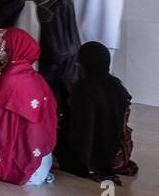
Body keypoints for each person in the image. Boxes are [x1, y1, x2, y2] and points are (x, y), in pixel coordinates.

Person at [0, 28, 57, 185]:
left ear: (15, 49)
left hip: (21, 169)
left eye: (2, 47)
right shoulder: (34, 77)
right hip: (40, 163)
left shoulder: (9, 82)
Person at [58, 41, 138, 182]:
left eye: (80, 63)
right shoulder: (116, 84)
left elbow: (80, 131)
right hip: (117, 153)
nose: (78, 66)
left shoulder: (83, 89)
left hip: (88, 157)